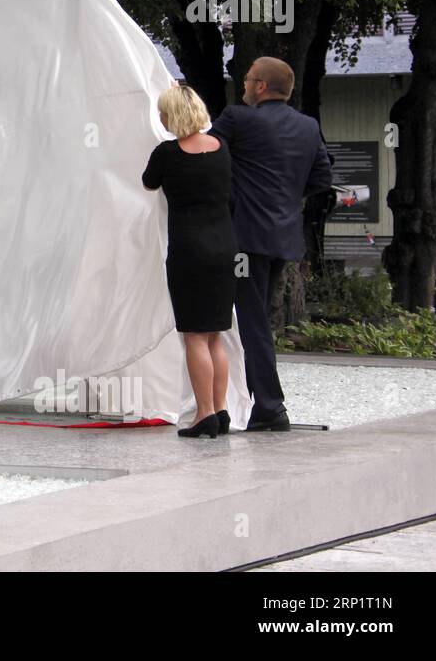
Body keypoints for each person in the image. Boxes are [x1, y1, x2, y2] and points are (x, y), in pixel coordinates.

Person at [208, 57, 333, 431]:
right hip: (283, 235)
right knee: (258, 315)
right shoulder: (308, 126)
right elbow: (322, 178)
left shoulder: (236, 118)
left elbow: (205, 154)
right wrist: (285, 196)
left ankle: (270, 405)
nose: (243, 85)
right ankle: (265, 403)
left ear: (261, 86)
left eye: (247, 79)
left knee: (252, 320)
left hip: (244, 237)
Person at [143, 84, 237, 438]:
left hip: (189, 249)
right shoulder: (221, 149)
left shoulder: (167, 154)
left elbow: (148, 183)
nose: (161, 118)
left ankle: (204, 413)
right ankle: (222, 408)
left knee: (195, 337)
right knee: (216, 335)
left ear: (173, 115)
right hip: (225, 247)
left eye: (164, 113)